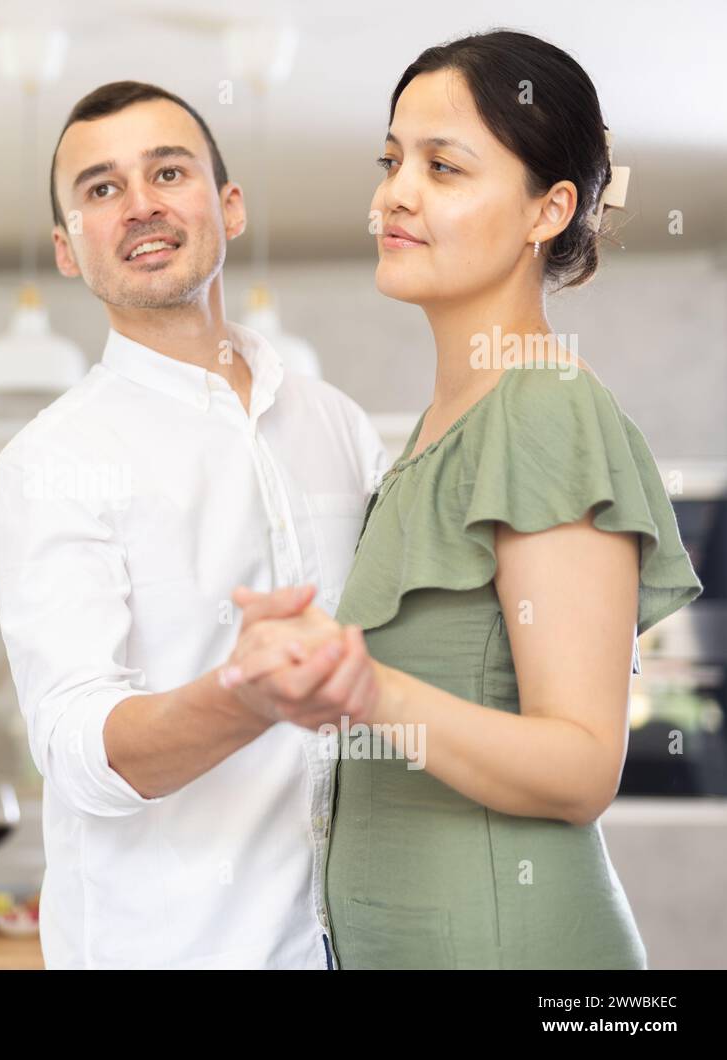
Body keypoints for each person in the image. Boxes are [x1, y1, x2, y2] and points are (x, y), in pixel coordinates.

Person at [221, 30, 703, 968]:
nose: (395, 192)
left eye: (444, 167)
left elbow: (581, 766)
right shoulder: (442, 426)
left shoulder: (544, 410)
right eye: (393, 160)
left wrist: (369, 688)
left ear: (547, 210)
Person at [0, 81, 391, 969]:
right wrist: (242, 699)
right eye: (101, 189)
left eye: (168, 171)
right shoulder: (50, 462)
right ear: (66, 248)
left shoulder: (338, 426)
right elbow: (78, 750)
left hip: (352, 946)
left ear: (229, 206)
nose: (140, 206)